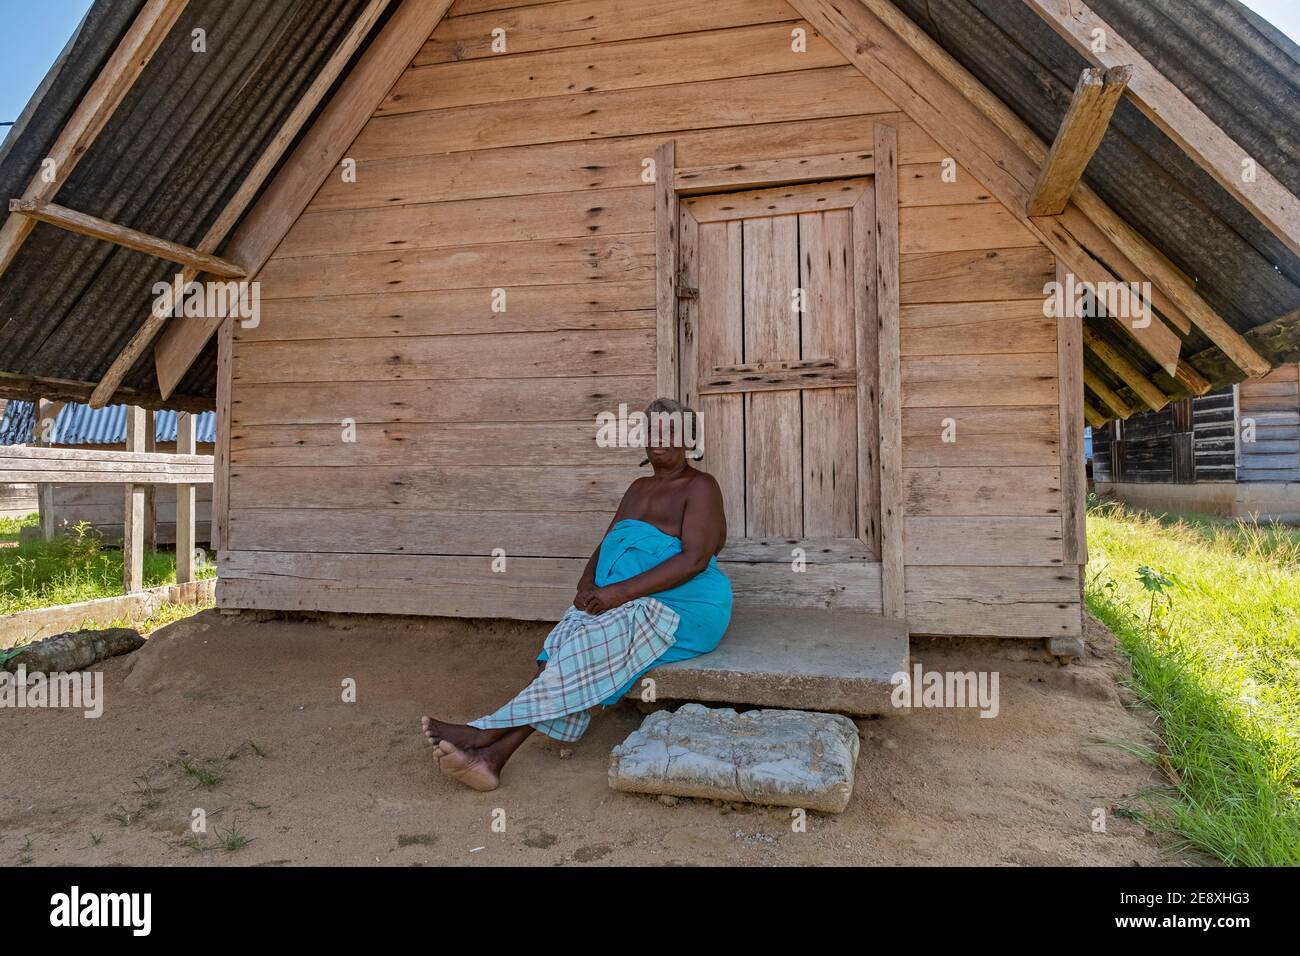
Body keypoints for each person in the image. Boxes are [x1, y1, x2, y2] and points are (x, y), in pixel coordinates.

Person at [420, 398, 732, 791]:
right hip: (629, 598)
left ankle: (483, 733)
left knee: (589, 643)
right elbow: (606, 545)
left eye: (671, 430)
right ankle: (491, 760)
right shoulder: (638, 489)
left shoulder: (700, 486)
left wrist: (617, 593)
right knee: (562, 644)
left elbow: (693, 560)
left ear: (688, 440)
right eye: (652, 429)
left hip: (685, 606)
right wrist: (587, 585)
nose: (659, 438)